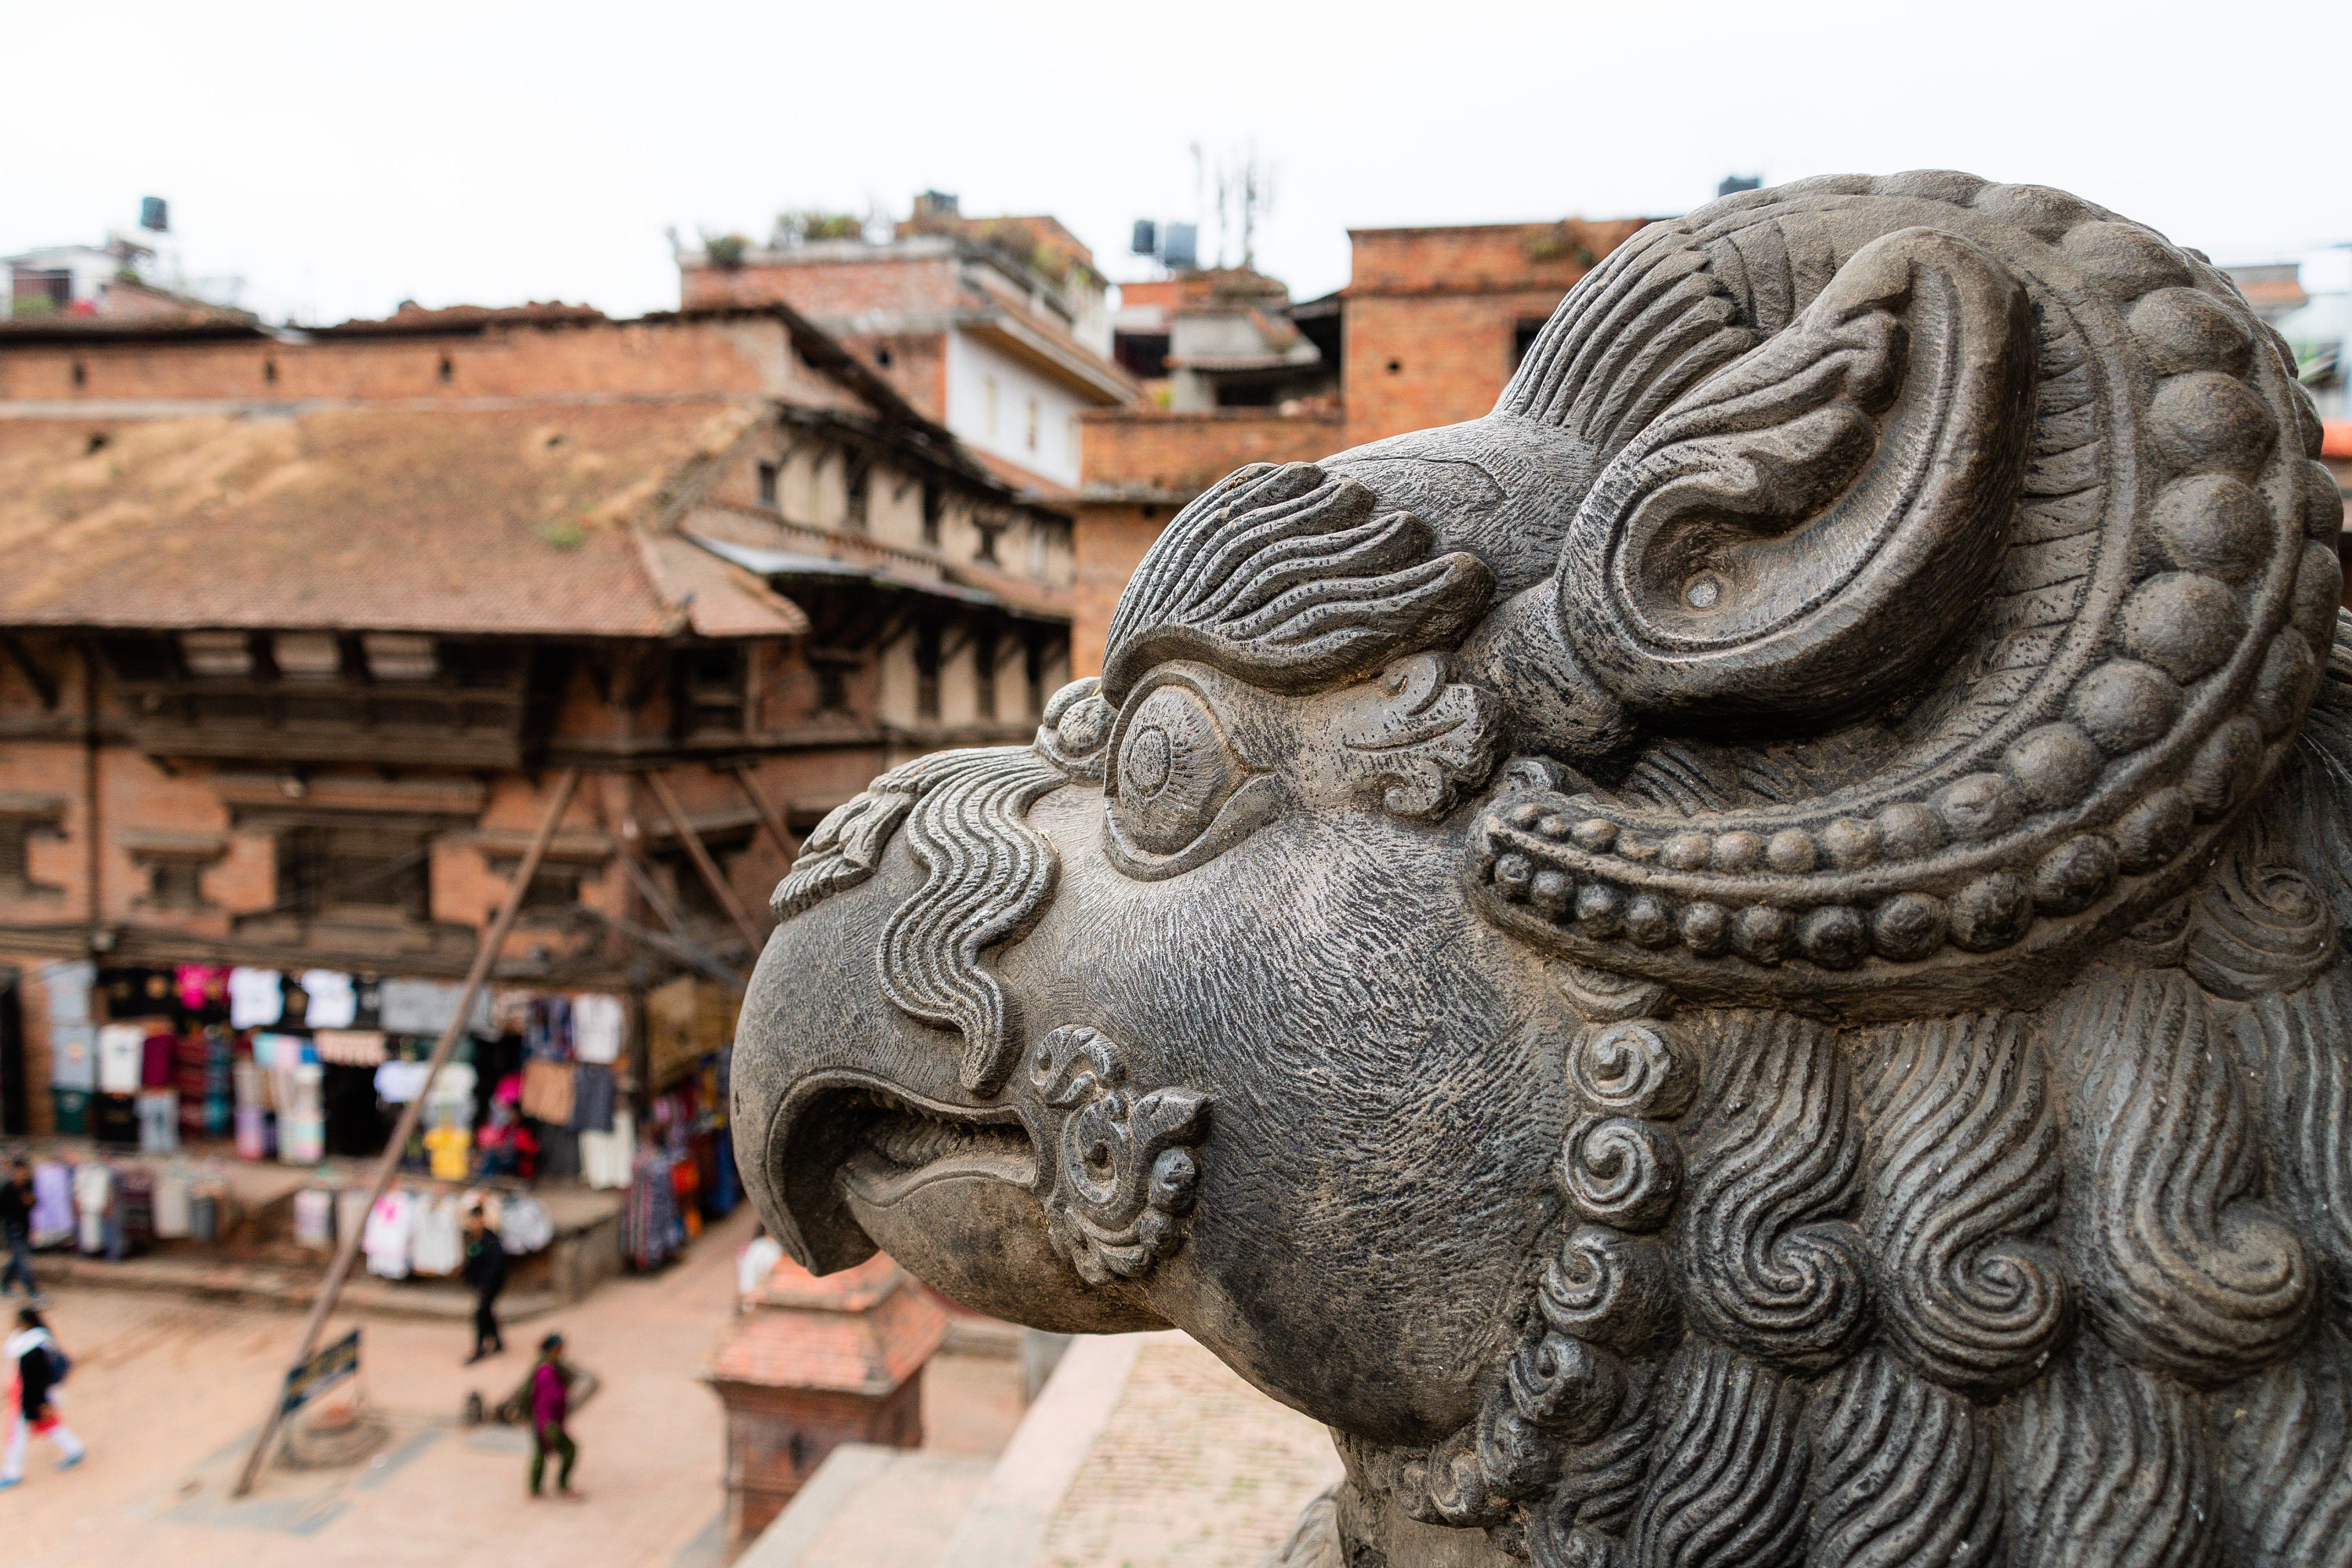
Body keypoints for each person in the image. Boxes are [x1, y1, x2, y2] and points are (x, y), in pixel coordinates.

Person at [3, 1306, 85, 1488]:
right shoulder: (37, 1341)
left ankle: (12, 1473)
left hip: (30, 1398)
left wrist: (40, 1403)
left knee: (18, 1435)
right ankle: (74, 1449)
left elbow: (34, 1380)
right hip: (32, 1396)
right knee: (50, 1425)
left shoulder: (31, 1348)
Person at [527, 1332, 580, 1500]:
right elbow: (549, 1400)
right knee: (570, 1449)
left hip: (540, 1420)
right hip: (548, 1422)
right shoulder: (548, 1371)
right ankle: (562, 1485)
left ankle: (534, 1488)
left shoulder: (543, 1366)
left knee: (540, 1452)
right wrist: (549, 1426)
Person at [460, 1209, 507, 1365]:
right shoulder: (472, 1238)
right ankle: (498, 1342)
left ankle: (480, 1349)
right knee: (486, 1312)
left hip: (490, 1285)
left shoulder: (491, 1240)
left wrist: (486, 1283)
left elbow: (495, 1265)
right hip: (480, 1284)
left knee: (481, 1314)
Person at [0, 1160, 37, 1301]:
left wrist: (30, 1201)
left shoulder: (28, 1186)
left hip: (25, 1228)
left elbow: (33, 1204)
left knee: (18, 1258)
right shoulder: (8, 1188)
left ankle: (5, 1284)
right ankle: (33, 1291)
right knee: (22, 1261)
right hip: (13, 1228)